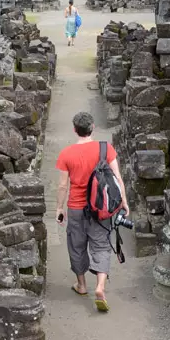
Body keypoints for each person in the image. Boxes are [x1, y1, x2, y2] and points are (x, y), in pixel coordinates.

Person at [56, 111, 129, 312]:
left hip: (76, 208)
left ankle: (81, 285)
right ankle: (100, 286)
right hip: (101, 209)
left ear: (74, 130)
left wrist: (59, 208)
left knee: (76, 246)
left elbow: (63, 186)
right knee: (101, 246)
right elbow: (117, 178)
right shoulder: (106, 149)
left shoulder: (66, 154)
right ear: (92, 128)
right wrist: (124, 202)